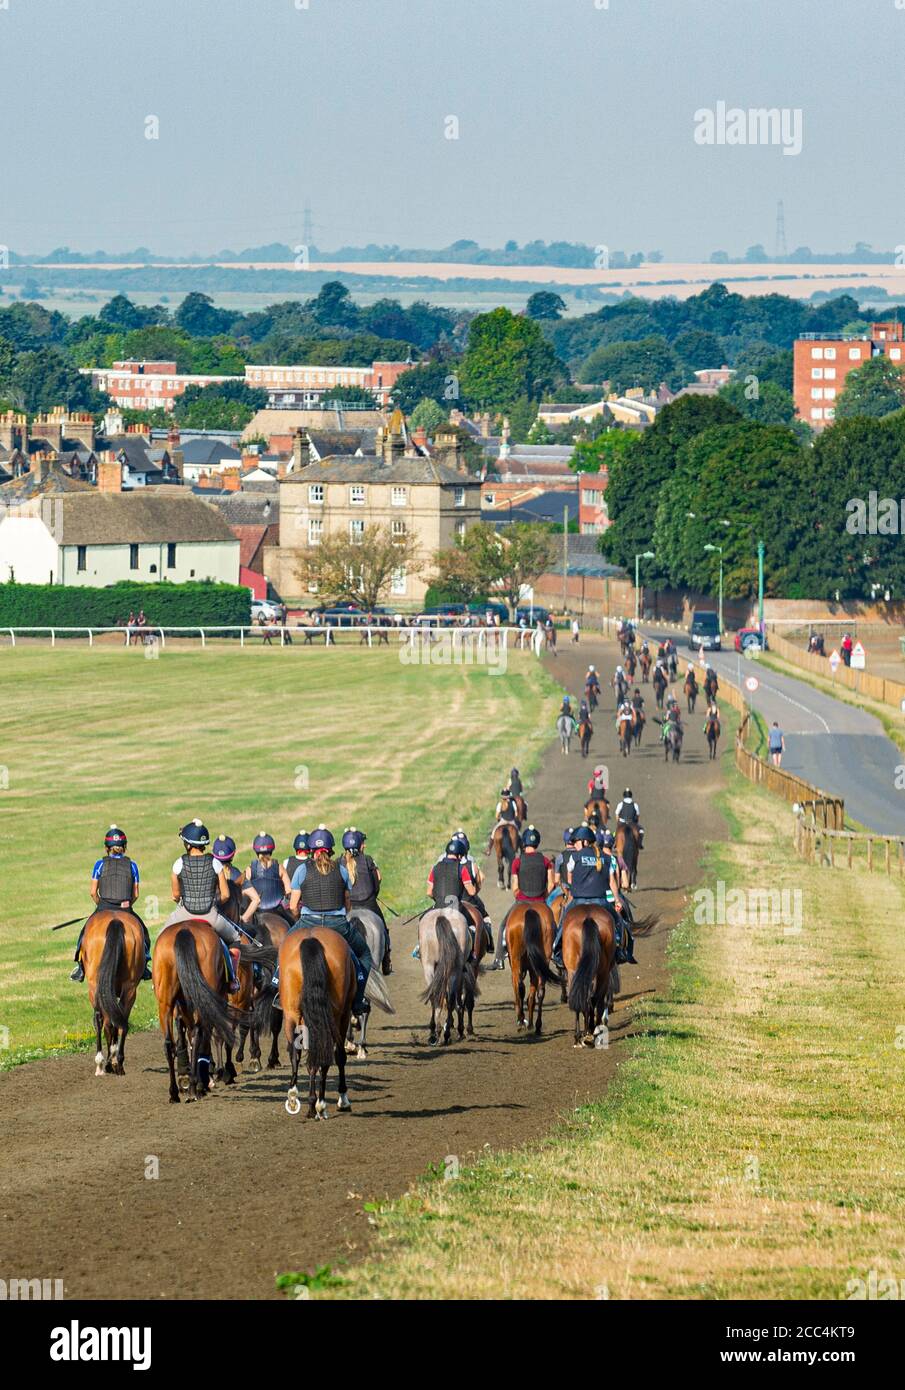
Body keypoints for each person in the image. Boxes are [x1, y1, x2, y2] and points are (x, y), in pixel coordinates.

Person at [284, 826, 371, 1018]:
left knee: (284, 947)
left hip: (308, 921)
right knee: (364, 954)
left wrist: (300, 916)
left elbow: (292, 905)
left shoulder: (301, 870)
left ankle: (276, 985)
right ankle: (358, 1000)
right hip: (337, 923)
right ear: (331, 850)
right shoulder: (341, 870)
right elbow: (347, 904)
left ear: (311, 851)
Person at [165, 821, 259, 992]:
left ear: (187, 844)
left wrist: (184, 901)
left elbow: (175, 895)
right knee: (236, 939)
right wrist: (213, 904)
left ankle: (161, 979)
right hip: (210, 914)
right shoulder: (215, 863)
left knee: (163, 937)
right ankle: (232, 979)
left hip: (184, 913)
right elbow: (225, 895)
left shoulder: (178, 863)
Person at [71, 826, 151, 982]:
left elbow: (93, 892)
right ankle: (145, 963)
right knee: (144, 935)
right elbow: (136, 894)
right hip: (125, 908)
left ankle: (80, 966)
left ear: (106, 848)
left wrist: (101, 905)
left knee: (83, 934)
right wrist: (126, 905)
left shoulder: (99, 865)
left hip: (103, 907)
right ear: (125, 847)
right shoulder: (132, 866)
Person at [552, 825, 626, 968]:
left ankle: (557, 948)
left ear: (585, 842)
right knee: (617, 921)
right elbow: (612, 882)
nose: (574, 845)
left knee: (564, 921)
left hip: (578, 901)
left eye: (576, 842)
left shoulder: (574, 857)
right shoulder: (605, 858)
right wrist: (617, 899)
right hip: (601, 900)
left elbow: (570, 881)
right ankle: (619, 948)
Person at [342, 827, 391, 974]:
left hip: (349, 907)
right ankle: (386, 959)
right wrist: (374, 893)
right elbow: (378, 878)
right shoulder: (368, 859)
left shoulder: (339, 862)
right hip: (368, 904)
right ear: (359, 845)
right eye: (363, 843)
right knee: (383, 928)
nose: (365, 845)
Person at [212, 835, 260, 928]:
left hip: (211, 919)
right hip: (231, 925)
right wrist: (244, 918)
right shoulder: (237, 875)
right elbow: (256, 899)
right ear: (233, 854)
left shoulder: (209, 873)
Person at [245, 833, 293, 924]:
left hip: (257, 910)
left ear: (256, 850)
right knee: (292, 926)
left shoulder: (249, 869)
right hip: (277, 909)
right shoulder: (279, 867)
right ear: (271, 850)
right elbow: (288, 890)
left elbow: (245, 892)